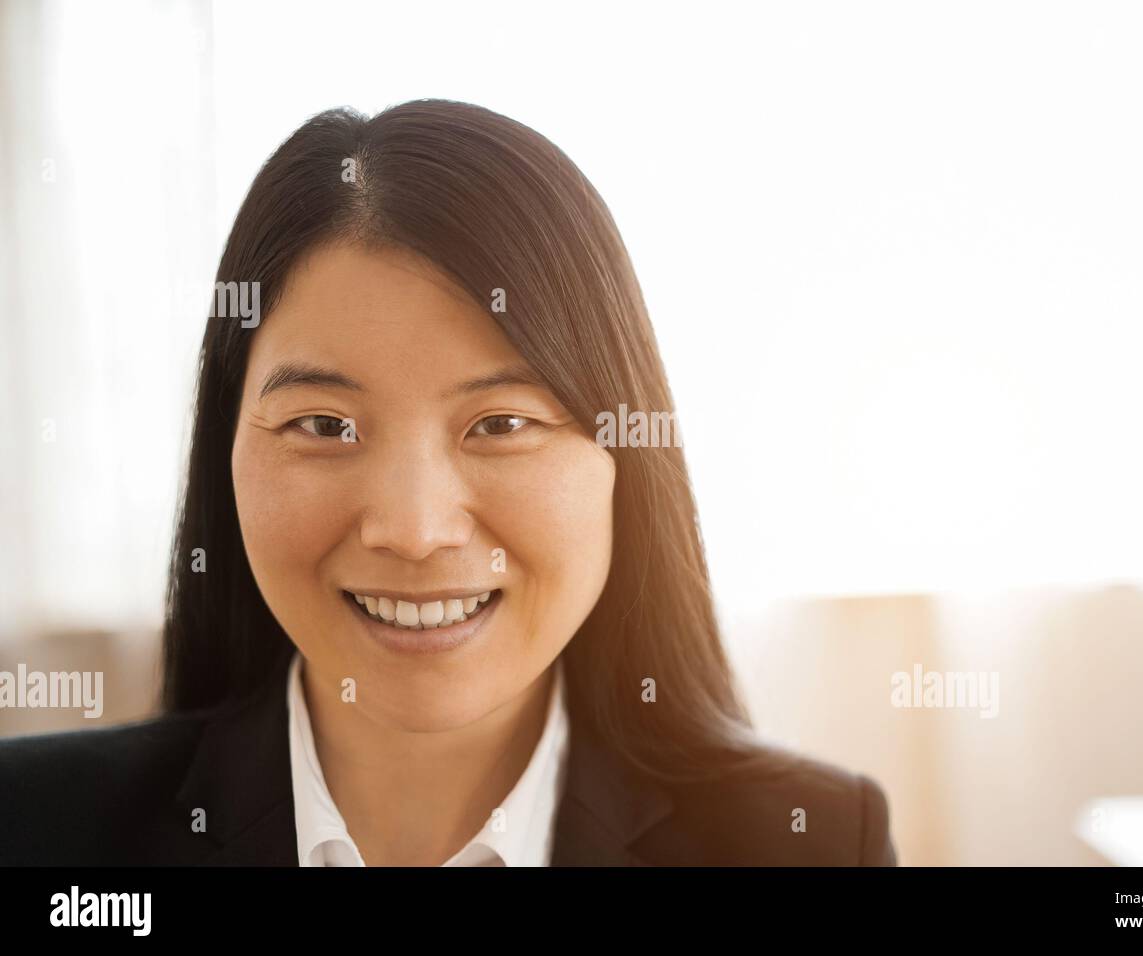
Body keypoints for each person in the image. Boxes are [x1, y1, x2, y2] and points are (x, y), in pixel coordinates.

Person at [0, 99, 896, 866]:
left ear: (623, 453)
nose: (415, 527)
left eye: (501, 425)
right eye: (323, 425)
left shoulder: (808, 843)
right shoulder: (39, 833)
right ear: (224, 451)